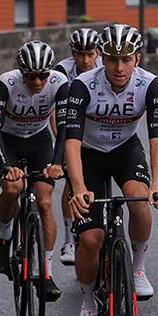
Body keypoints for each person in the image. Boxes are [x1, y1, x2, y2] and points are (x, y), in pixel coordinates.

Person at [62, 24, 158, 316]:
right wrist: (78, 187)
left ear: (136, 58)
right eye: (111, 59)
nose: (119, 67)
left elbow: (157, 139)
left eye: (125, 59)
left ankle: (136, 268)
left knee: (139, 200)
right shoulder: (82, 86)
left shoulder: (150, 85)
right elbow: (72, 144)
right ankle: (89, 303)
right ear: (102, 59)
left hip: (125, 150)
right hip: (90, 156)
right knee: (91, 240)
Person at [0, 40, 68, 301]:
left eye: (42, 75)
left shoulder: (58, 83)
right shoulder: (7, 83)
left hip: (39, 141)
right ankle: (5, 236)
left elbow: (66, 129)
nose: (37, 81)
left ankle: (45, 272)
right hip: (8, 141)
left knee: (44, 201)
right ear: (22, 72)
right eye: (31, 76)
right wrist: (5, 166)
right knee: (13, 188)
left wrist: (57, 163)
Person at [54, 27, 103, 266]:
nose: (86, 60)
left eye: (90, 54)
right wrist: (63, 147)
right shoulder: (62, 71)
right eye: (80, 54)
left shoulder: (107, 67)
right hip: (69, 127)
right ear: (72, 53)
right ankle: (69, 239)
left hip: (97, 127)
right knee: (71, 181)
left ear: (98, 53)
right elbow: (56, 114)